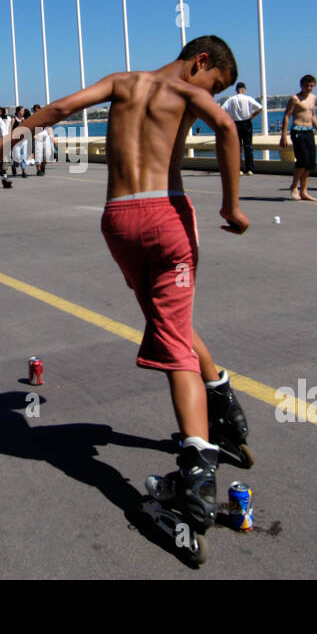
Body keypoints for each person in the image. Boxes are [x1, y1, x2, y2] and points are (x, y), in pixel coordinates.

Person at [15, 34, 251, 535]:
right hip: (166, 215)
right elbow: (228, 129)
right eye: (216, 82)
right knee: (172, 338)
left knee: (167, 323)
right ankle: (197, 469)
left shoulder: (122, 82)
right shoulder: (188, 94)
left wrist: (11, 135)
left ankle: (221, 394)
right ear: (201, 62)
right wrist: (231, 205)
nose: (214, 91)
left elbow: (59, 107)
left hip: (119, 221)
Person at [279, 75, 317, 202]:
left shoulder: (313, 98)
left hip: (309, 131)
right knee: (302, 160)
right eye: (306, 86)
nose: (309, 88)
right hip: (298, 131)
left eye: (311, 86)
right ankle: (294, 186)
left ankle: (304, 191)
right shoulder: (295, 99)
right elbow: (287, 116)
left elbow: (313, 116)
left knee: (310, 163)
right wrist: (284, 135)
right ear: (301, 85)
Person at [220, 81, 264, 175]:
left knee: (237, 147)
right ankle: (250, 168)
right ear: (243, 89)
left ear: (236, 90)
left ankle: (238, 168)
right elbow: (260, 108)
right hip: (247, 122)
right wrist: (252, 116)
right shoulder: (248, 98)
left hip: (236, 124)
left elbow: (222, 110)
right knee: (248, 146)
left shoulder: (231, 99)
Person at [31, 104, 56, 175]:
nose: (37, 111)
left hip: (46, 136)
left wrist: (52, 136)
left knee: (47, 154)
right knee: (38, 155)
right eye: (35, 110)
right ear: (33, 111)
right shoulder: (32, 118)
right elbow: (30, 128)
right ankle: (38, 170)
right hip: (37, 136)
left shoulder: (45, 117)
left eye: (38, 110)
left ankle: (43, 166)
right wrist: (33, 135)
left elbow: (49, 127)